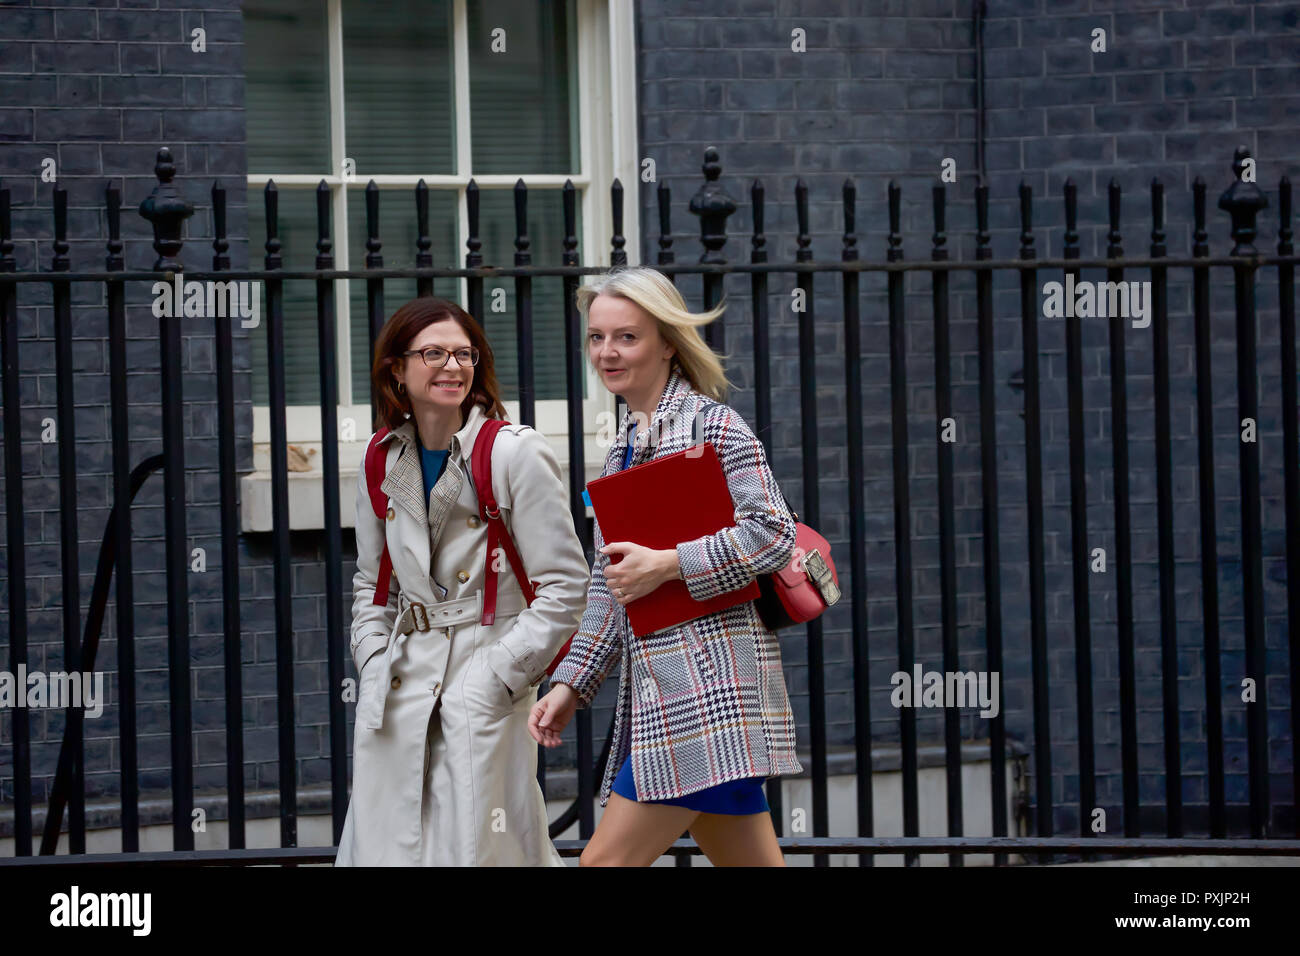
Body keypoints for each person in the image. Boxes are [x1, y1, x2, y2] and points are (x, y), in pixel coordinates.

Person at [532, 267, 803, 866]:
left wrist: (671, 563)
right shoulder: (623, 446)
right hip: (670, 698)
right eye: (597, 338)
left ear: (667, 343)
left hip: (710, 692)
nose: (608, 352)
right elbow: (611, 583)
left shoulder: (715, 426)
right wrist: (572, 684)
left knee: (601, 863)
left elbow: (774, 535)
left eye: (627, 337)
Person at [336, 296, 590, 866]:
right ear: (396, 369)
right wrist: (374, 661)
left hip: (481, 681)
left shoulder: (513, 452)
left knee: (481, 850)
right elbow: (371, 586)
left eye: (463, 353)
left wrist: (497, 676)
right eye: (433, 353)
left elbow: (567, 585)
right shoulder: (380, 457)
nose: (452, 366)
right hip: (399, 687)